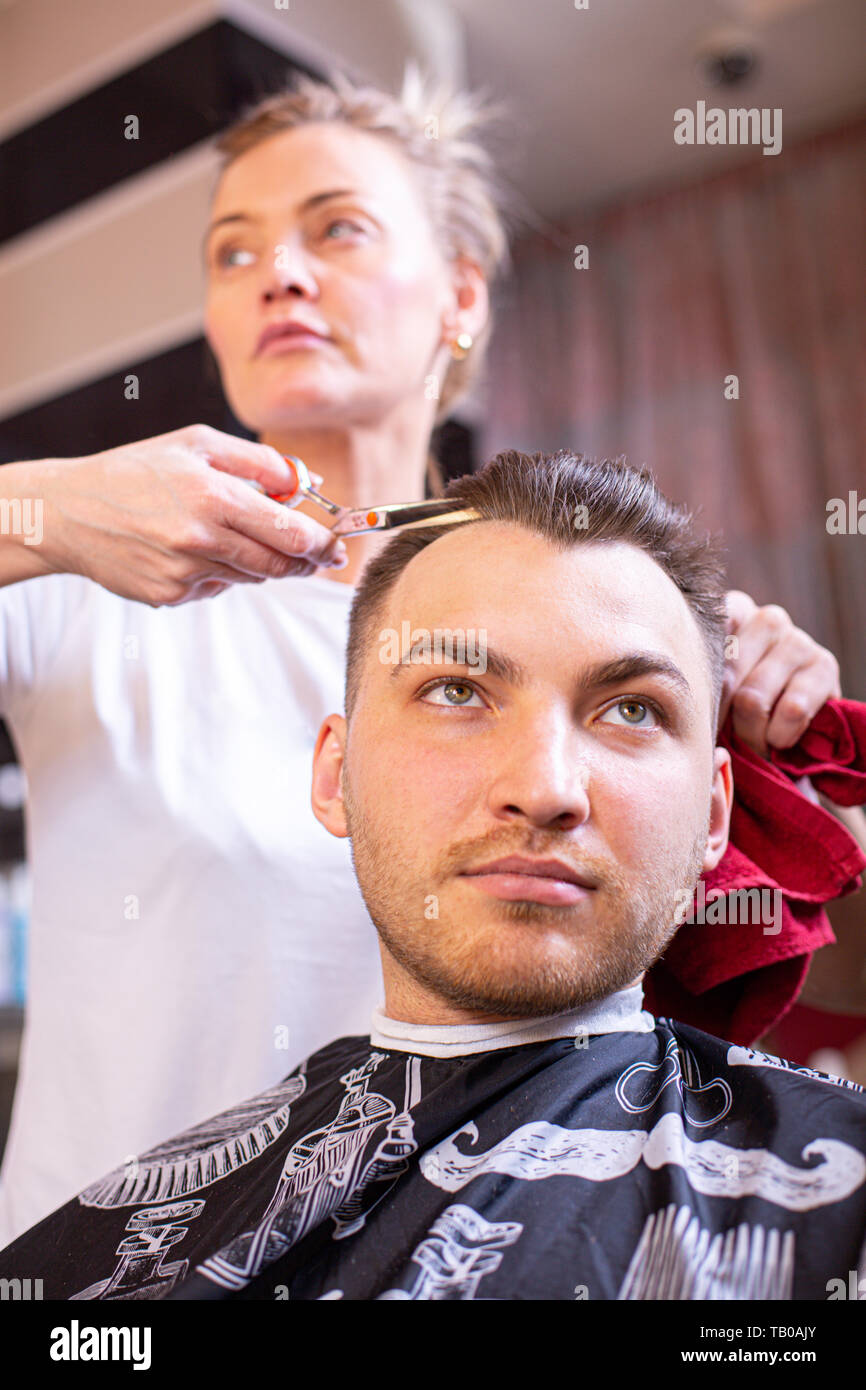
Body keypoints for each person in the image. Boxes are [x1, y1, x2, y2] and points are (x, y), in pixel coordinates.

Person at [0, 67, 852, 1250]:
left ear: (459, 293)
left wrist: (708, 684)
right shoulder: (80, 598)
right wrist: (42, 508)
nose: (278, 275)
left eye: (335, 228)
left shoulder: (583, 611)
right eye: (233, 253)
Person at [1, 449, 863, 1302]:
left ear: (713, 815)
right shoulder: (111, 1251)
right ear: (336, 776)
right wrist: (47, 501)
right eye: (457, 690)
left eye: (631, 710)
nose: (544, 789)